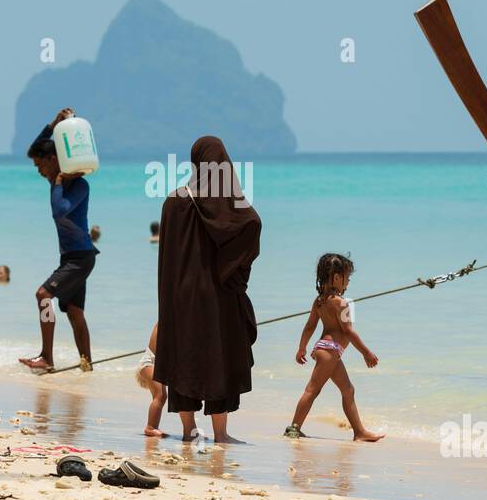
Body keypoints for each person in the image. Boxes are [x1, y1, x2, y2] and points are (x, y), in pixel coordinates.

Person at [153, 136, 260, 444]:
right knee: (219, 356)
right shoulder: (230, 202)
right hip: (218, 293)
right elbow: (252, 224)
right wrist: (231, 270)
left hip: (181, 294)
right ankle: (220, 433)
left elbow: (168, 257)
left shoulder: (173, 201)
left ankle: (189, 430)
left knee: (183, 353)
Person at [18, 107, 97, 373]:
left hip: (80, 258)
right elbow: (35, 147)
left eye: (41, 165)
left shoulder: (77, 186)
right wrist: (52, 124)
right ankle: (87, 367)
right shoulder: (57, 182)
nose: (39, 171)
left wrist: (61, 180)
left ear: (54, 160)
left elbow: (60, 210)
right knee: (74, 313)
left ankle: (46, 358)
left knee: (43, 295)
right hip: (72, 257)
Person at [286, 253, 383, 442]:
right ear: (337, 278)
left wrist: (302, 348)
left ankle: (359, 432)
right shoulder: (342, 303)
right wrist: (366, 353)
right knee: (312, 390)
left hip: (325, 350)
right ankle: (293, 428)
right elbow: (349, 332)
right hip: (331, 351)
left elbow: (310, 326)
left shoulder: (319, 301)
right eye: (347, 279)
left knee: (348, 390)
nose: (347, 283)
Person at [134, 323, 168, 437]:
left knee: (162, 396)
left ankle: (154, 426)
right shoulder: (162, 322)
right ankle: (150, 427)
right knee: (160, 395)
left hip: (157, 365)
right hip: (149, 363)